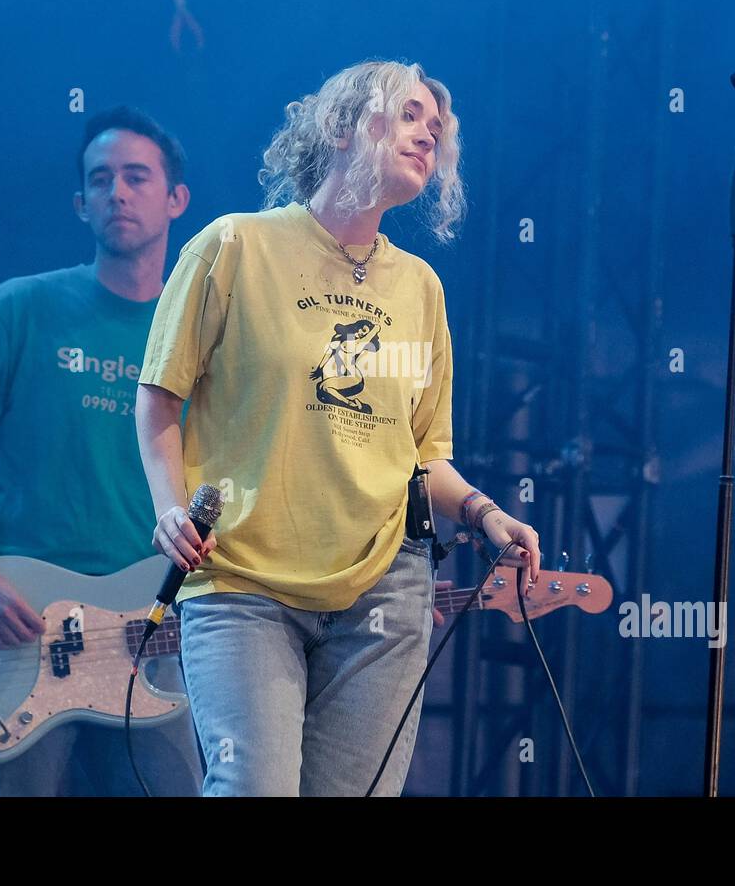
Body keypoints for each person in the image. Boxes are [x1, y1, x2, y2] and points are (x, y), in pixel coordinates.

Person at [135, 60, 542, 796]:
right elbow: (159, 398)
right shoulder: (234, 246)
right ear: (343, 125)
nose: (429, 134)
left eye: (437, 127)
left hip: (385, 591)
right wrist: (171, 509)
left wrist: (485, 513)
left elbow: (423, 456)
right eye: (409, 114)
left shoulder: (419, 286)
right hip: (242, 579)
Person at [0, 105, 203, 796]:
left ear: (176, 199)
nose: (117, 192)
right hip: (15, 634)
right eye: (100, 180)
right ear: (80, 202)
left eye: (136, 177)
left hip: (148, 638)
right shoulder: (21, 308)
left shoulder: (197, 338)